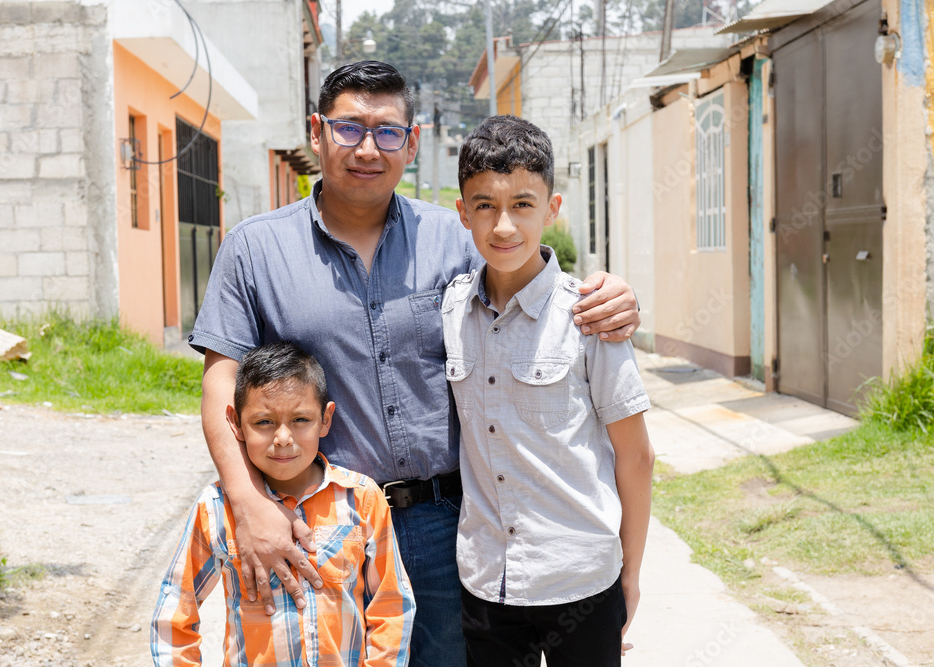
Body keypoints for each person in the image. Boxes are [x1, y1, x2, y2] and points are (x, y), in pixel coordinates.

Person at [188, 60, 643, 666]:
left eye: (388, 132)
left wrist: (611, 293)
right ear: (317, 133)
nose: (368, 149)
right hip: (322, 524)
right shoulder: (255, 248)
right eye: (349, 129)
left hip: (447, 527)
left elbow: (529, 268)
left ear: (412, 141)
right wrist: (248, 503)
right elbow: (221, 379)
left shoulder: (456, 236)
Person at [442, 115, 655, 667]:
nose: (504, 225)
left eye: (523, 204)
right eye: (484, 204)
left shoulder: (588, 316)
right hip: (487, 580)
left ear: (552, 208)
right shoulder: (451, 310)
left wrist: (630, 571)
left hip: (580, 577)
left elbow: (635, 456)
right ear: (462, 211)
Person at [151, 343, 415, 666]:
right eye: (264, 422)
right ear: (235, 422)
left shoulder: (362, 499)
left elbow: (392, 608)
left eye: (301, 419)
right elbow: (174, 615)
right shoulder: (216, 509)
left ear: (325, 418)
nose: (283, 438)